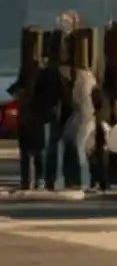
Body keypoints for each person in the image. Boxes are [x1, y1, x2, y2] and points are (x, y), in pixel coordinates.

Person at [33, 50, 67, 190]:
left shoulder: (42, 74)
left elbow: (36, 93)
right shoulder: (58, 74)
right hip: (53, 112)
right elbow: (63, 93)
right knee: (52, 148)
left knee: (43, 147)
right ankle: (51, 179)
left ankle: (42, 178)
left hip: (44, 112)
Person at [62, 58, 97, 192]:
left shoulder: (82, 79)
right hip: (85, 115)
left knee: (78, 146)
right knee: (77, 145)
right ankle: (79, 180)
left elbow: (78, 100)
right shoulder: (87, 77)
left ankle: (82, 180)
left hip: (84, 115)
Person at [8, 65, 43, 191]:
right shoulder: (39, 82)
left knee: (27, 153)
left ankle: (27, 180)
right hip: (33, 119)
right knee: (35, 151)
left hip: (27, 119)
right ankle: (36, 179)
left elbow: (11, 91)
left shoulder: (27, 83)